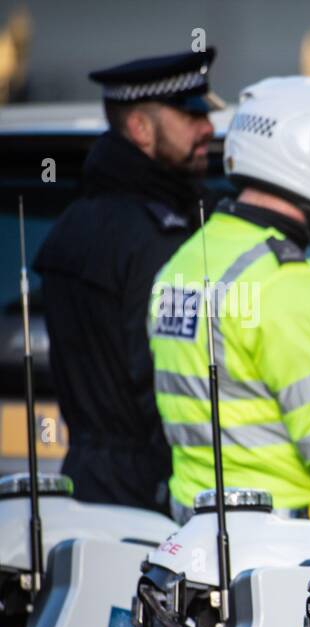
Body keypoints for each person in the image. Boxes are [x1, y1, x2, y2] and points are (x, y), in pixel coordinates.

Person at [149, 76, 310, 522]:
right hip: (290, 549)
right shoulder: (288, 282)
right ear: (300, 151)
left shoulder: (188, 262)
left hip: (199, 535)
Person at [34, 49, 221, 514]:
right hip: (153, 492)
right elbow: (162, 385)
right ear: (140, 128)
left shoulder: (76, 223)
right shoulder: (158, 239)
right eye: (191, 113)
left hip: (88, 481)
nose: (208, 128)